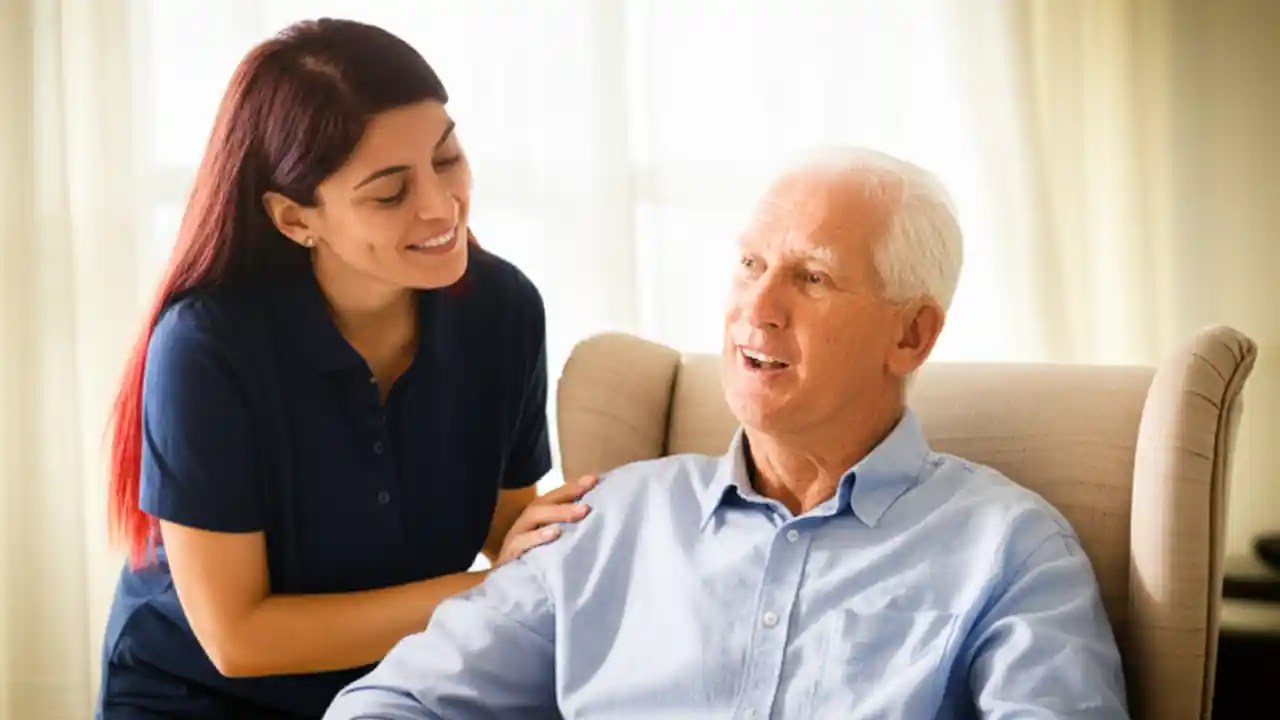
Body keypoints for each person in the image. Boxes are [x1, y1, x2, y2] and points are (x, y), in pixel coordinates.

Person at [323, 147, 1130, 719]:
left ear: (911, 337)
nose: (759, 306)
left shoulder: (1010, 551)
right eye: (750, 264)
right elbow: (390, 704)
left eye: (810, 277)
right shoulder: (605, 523)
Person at [97, 18, 594, 719]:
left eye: (446, 158)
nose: (440, 205)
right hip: (196, 697)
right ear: (296, 219)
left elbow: (507, 526)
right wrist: (483, 591)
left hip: (396, 689)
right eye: (389, 193)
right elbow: (238, 637)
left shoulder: (502, 311)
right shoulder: (207, 347)